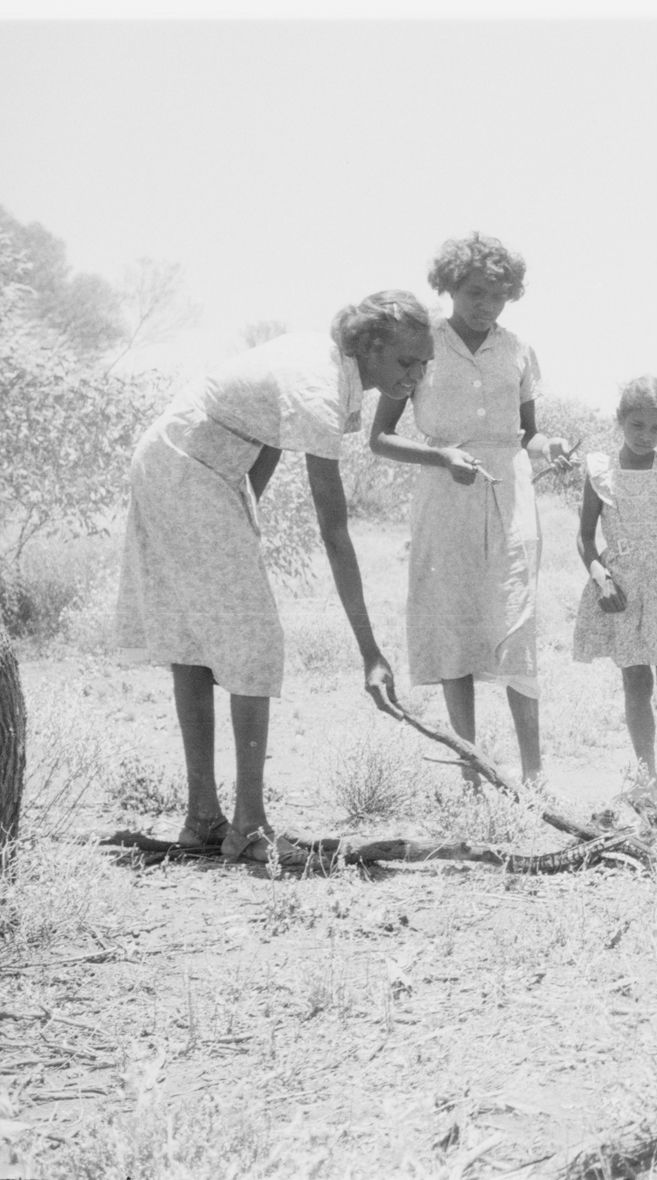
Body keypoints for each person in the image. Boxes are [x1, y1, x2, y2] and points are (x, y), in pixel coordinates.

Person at [114, 292, 428, 862]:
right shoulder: (318, 383)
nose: (417, 373)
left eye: (424, 362)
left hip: (177, 463)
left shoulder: (324, 363)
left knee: (198, 642)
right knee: (255, 642)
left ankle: (203, 819)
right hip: (188, 471)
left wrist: (242, 531)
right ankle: (249, 827)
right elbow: (335, 533)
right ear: (372, 347)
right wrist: (370, 652)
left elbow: (265, 439)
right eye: (408, 361)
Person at [369, 234, 572, 787]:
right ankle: (472, 772)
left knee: (517, 622)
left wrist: (548, 446)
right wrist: (440, 456)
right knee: (455, 623)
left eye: (499, 296)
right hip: (445, 495)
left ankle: (534, 778)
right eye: (476, 293)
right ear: (450, 286)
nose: (487, 306)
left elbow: (529, 435)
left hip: (510, 492)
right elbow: (380, 437)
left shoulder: (517, 349)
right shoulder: (422, 344)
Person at [572, 376, 657, 799]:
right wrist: (599, 576)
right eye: (637, 426)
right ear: (620, 421)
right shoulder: (600, 471)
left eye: (656, 428)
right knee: (635, 683)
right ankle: (646, 779)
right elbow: (585, 536)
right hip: (620, 584)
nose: (646, 436)